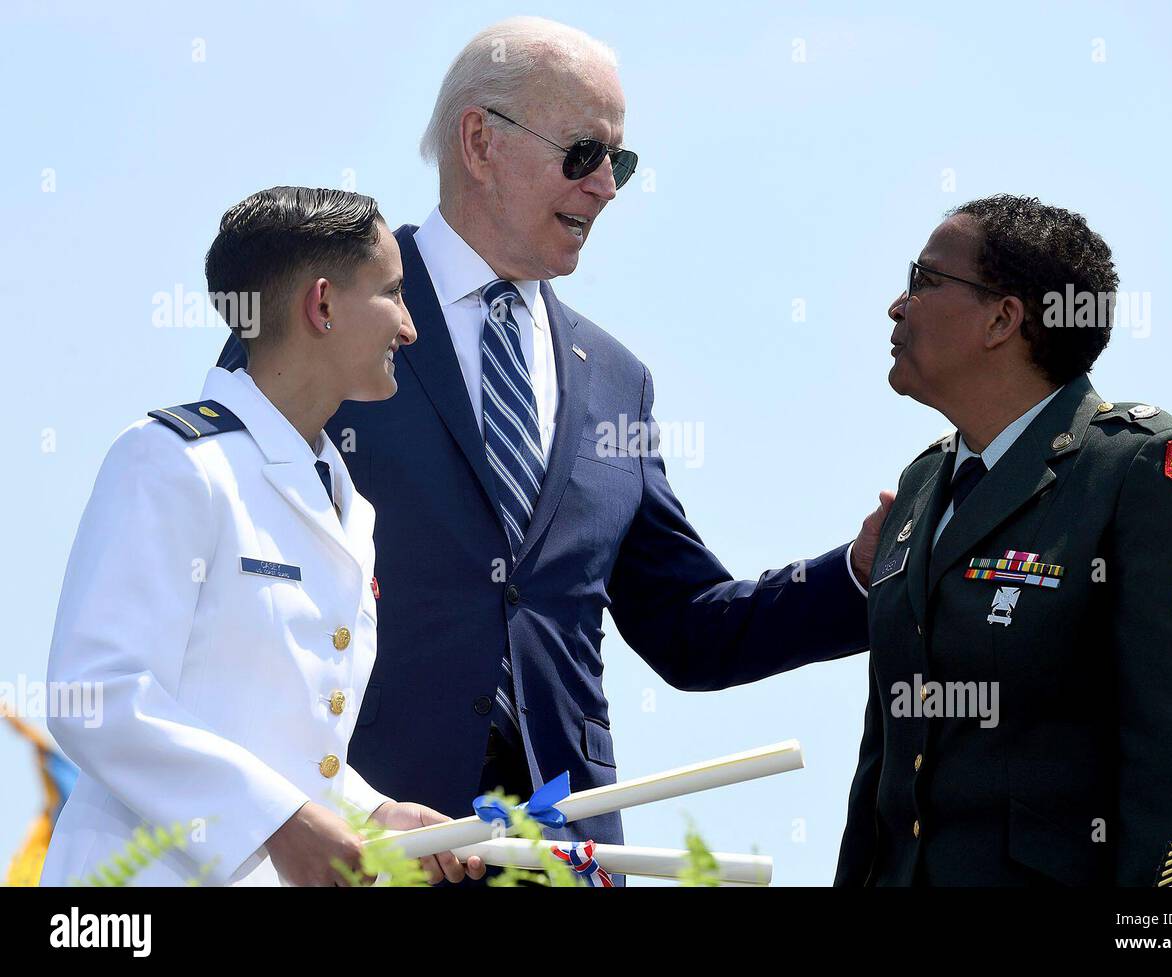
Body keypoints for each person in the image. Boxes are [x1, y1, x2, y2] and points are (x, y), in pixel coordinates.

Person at [217, 18, 892, 869]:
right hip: (365, 845)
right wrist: (298, 810)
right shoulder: (327, 315)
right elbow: (229, 594)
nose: (607, 185)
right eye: (584, 153)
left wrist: (860, 574)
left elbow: (686, 627)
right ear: (480, 142)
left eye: (621, 161)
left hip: (563, 851)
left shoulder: (616, 379)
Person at [41, 186, 485, 886]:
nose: (409, 327)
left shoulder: (345, 502)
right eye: (394, 294)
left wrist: (374, 813)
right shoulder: (173, 459)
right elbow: (95, 694)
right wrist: (281, 819)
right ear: (323, 305)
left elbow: (285, 741)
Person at [834, 194, 1172, 886]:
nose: (897, 306)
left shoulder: (1144, 472)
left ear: (1003, 319)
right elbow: (882, 779)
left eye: (925, 280)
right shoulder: (922, 485)